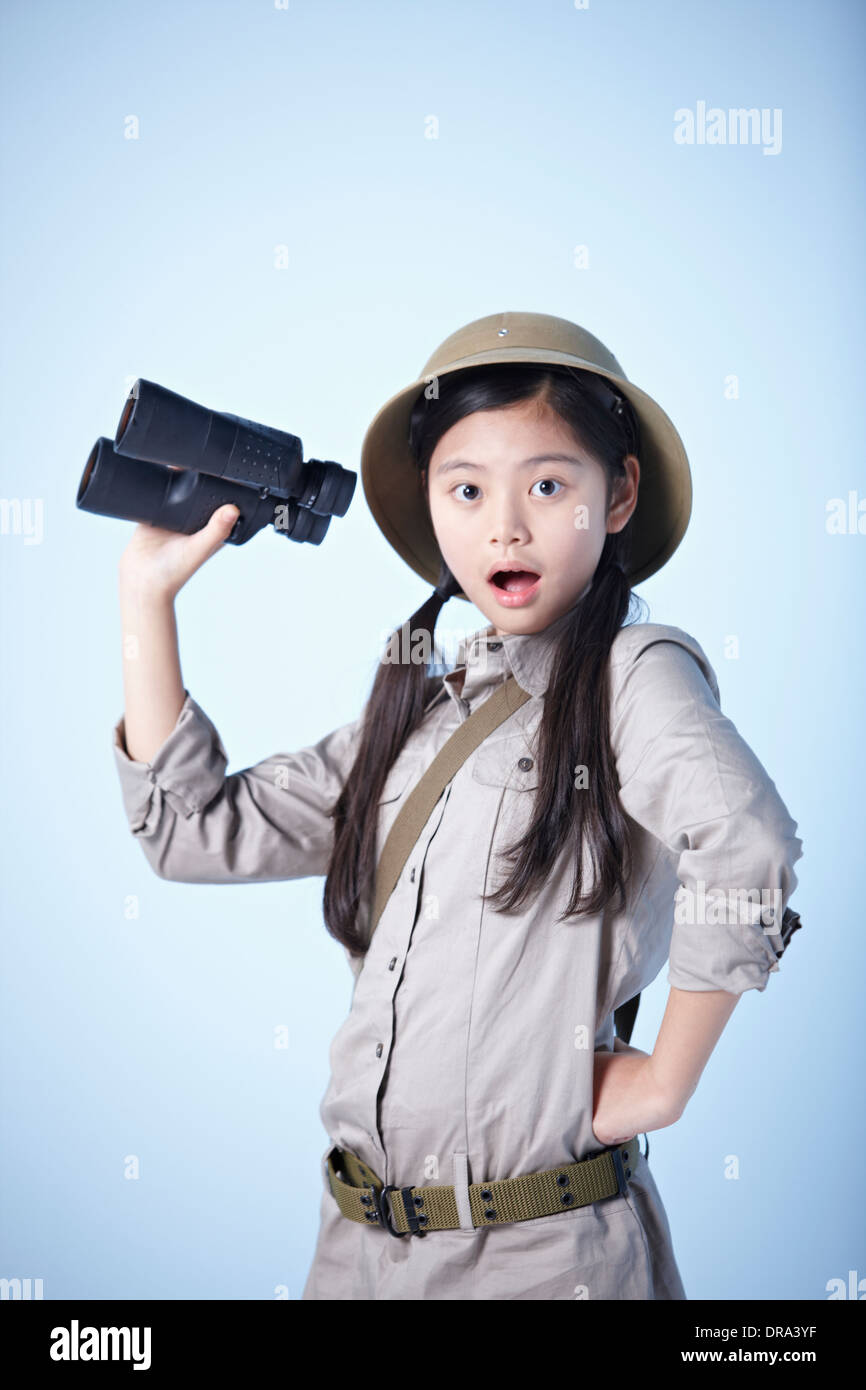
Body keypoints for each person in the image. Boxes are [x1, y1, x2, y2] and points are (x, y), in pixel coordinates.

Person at [112, 311, 803, 1300]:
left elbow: (745, 840)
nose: (505, 525)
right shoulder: (425, 707)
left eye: (548, 484)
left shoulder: (630, 676)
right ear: (432, 510)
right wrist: (147, 598)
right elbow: (191, 832)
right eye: (466, 489)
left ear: (618, 497)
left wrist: (663, 1082)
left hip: (539, 1254)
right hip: (354, 1251)